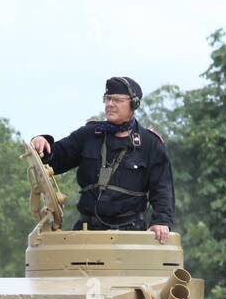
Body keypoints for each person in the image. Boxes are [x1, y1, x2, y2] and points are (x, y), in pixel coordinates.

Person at [29, 76, 174, 241]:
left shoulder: (150, 144)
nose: (110, 104)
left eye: (117, 100)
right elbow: (56, 158)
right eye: (107, 98)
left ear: (134, 104)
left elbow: (162, 187)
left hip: (130, 235)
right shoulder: (89, 135)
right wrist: (42, 143)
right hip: (87, 232)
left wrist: (162, 220)